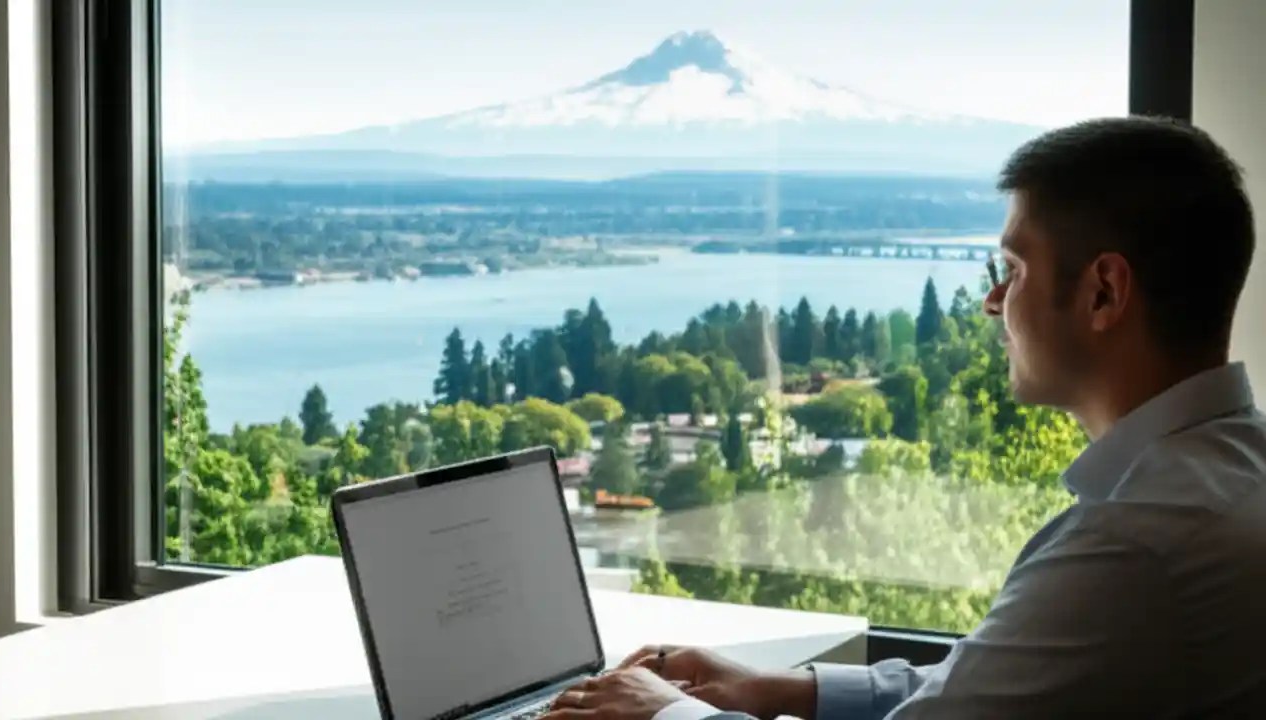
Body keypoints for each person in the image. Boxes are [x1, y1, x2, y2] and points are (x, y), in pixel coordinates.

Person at [542, 116, 1266, 719]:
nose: (991, 304)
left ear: (1104, 292)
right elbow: (999, 684)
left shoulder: (1134, 540)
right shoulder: (1232, 472)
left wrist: (665, 710)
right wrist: (778, 688)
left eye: (1011, 270)